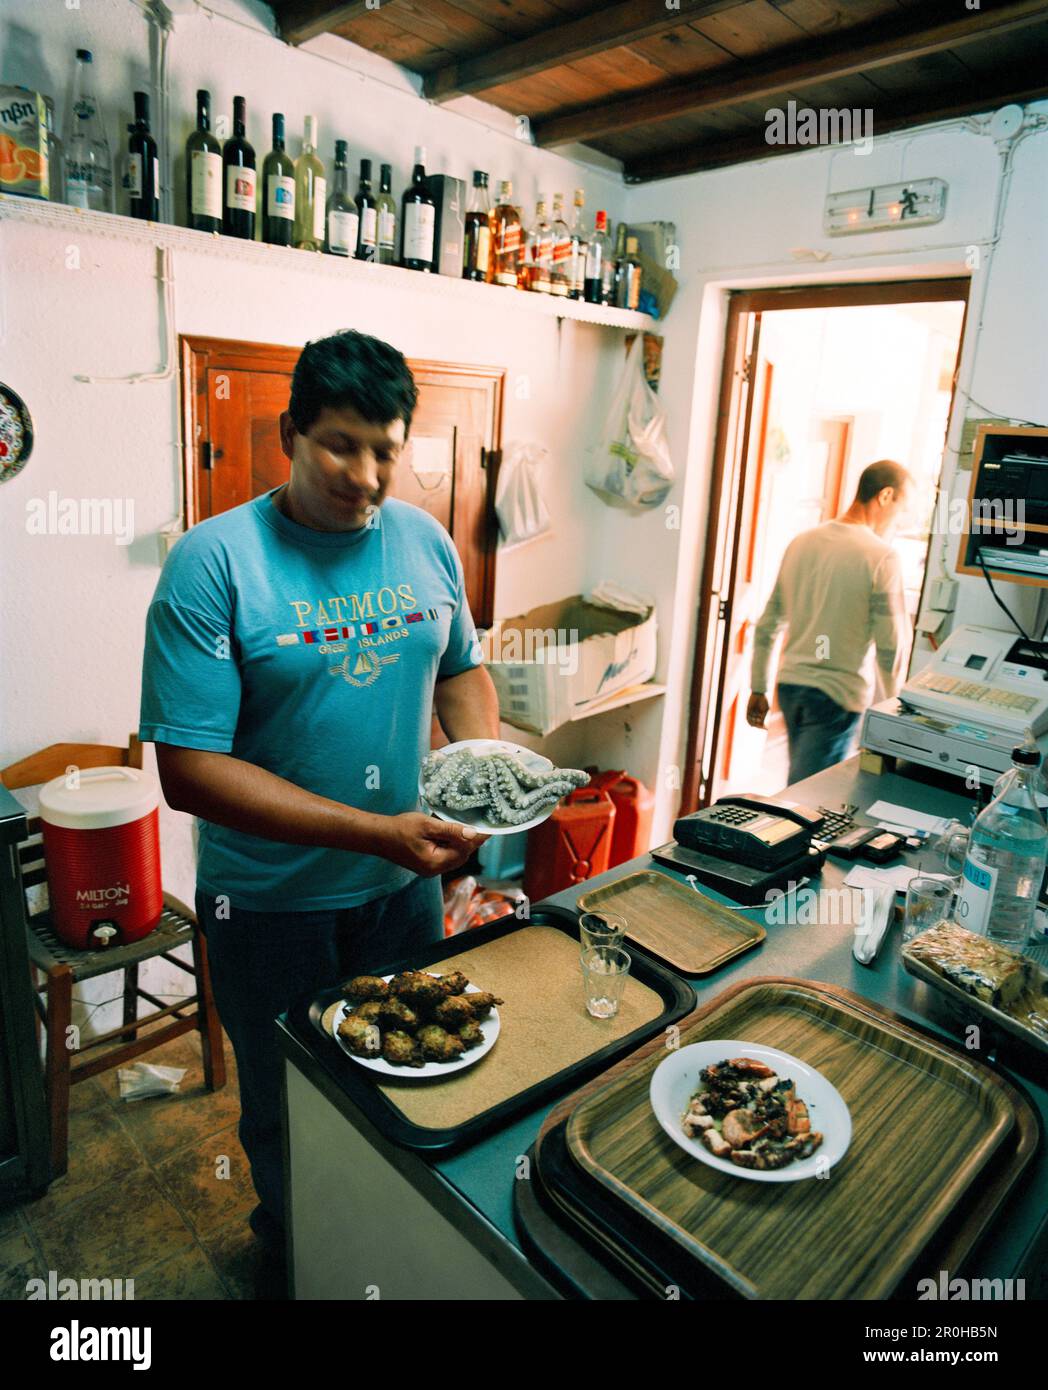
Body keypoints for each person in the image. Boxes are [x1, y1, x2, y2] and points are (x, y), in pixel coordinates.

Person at [139, 330, 499, 1276]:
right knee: (289, 1111)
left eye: (388, 448)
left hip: (402, 894)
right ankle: (302, 1256)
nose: (368, 474)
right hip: (266, 908)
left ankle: (388, 1255)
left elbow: (461, 674)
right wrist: (376, 831)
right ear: (291, 433)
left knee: (414, 1083)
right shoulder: (213, 565)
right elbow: (190, 771)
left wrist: (486, 776)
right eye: (341, 444)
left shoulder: (425, 542)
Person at [746, 459, 913, 785]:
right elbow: (891, 646)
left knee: (803, 787)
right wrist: (894, 714)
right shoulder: (881, 557)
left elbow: (768, 624)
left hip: (791, 688)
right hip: (836, 696)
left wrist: (758, 687)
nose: (900, 520)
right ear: (885, 496)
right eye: (902, 508)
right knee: (807, 798)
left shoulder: (802, 542)